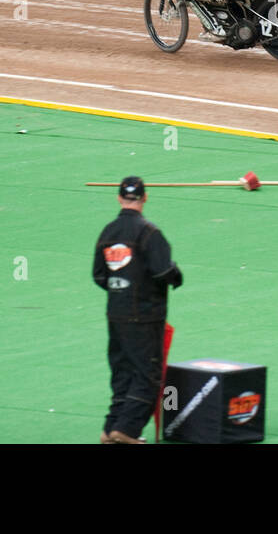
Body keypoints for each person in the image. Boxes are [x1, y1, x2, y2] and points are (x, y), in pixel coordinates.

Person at [92, 176, 183, 445]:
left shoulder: (107, 233)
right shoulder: (149, 233)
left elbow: (99, 275)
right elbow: (164, 270)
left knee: (122, 373)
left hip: (116, 313)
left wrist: (120, 287)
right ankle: (128, 430)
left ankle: (110, 429)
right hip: (145, 315)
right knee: (147, 374)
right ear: (144, 198)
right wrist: (176, 276)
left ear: (119, 198)